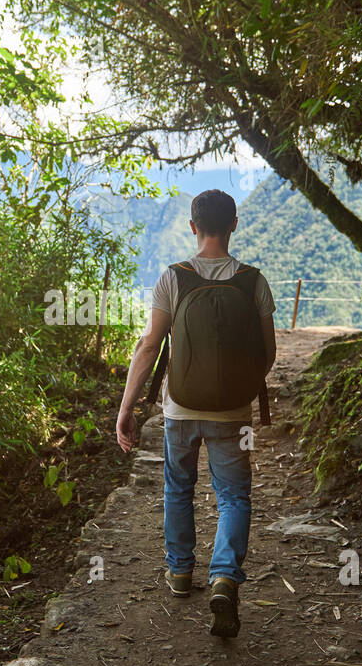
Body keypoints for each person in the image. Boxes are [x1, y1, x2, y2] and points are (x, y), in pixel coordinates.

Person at [116, 189, 276, 637]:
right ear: (234, 225)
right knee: (234, 497)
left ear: (192, 227)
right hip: (232, 413)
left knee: (178, 488)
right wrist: (237, 389)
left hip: (179, 409)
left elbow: (150, 346)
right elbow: (269, 353)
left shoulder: (174, 278)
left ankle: (181, 573)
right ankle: (224, 576)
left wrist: (126, 408)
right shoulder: (253, 281)